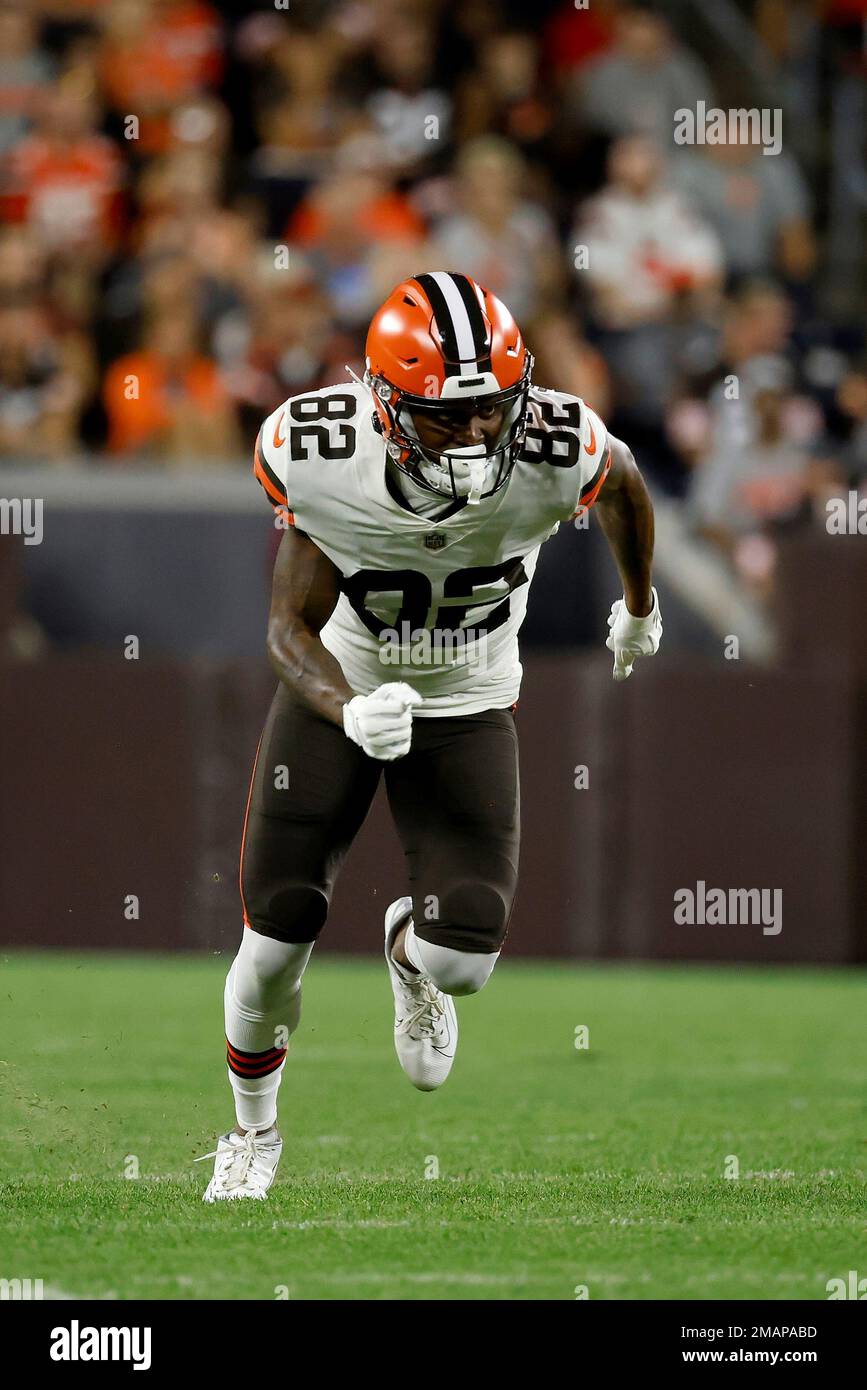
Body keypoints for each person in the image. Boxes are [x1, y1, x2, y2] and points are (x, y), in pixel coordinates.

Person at [199, 271, 662, 1201]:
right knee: (276, 939)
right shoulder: (323, 453)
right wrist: (345, 708)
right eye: (447, 418)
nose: (478, 434)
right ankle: (252, 1135)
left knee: (466, 963)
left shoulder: (554, 443)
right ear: (383, 404)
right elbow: (286, 630)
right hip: (345, 686)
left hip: (470, 695)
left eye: (491, 409)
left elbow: (624, 487)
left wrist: (639, 607)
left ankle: (408, 953)